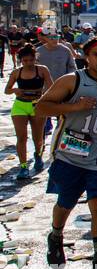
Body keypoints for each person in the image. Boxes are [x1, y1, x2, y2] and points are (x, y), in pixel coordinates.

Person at [37, 36, 97, 269]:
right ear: (86, 57)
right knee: (65, 202)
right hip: (69, 154)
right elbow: (42, 107)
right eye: (96, 55)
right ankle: (56, 235)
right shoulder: (72, 80)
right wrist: (74, 107)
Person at [6, 45, 52, 178]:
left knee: (37, 137)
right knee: (21, 137)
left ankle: (38, 155)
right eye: (25, 61)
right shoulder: (17, 72)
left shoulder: (42, 70)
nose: (28, 63)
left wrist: (43, 95)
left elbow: (51, 87)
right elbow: (6, 90)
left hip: (37, 106)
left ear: (35, 59)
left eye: (31, 60)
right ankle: (23, 166)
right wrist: (15, 90)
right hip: (20, 105)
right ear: (21, 60)